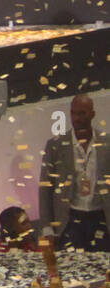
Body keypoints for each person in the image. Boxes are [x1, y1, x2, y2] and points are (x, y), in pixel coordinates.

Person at [40, 94, 109, 250]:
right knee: (71, 267)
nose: (77, 118)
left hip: (101, 218)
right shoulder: (56, 145)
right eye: (73, 113)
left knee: (101, 268)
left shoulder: (107, 143)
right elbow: (45, 188)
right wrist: (47, 227)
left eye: (82, 113)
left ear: (92, 114)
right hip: (69, 219)